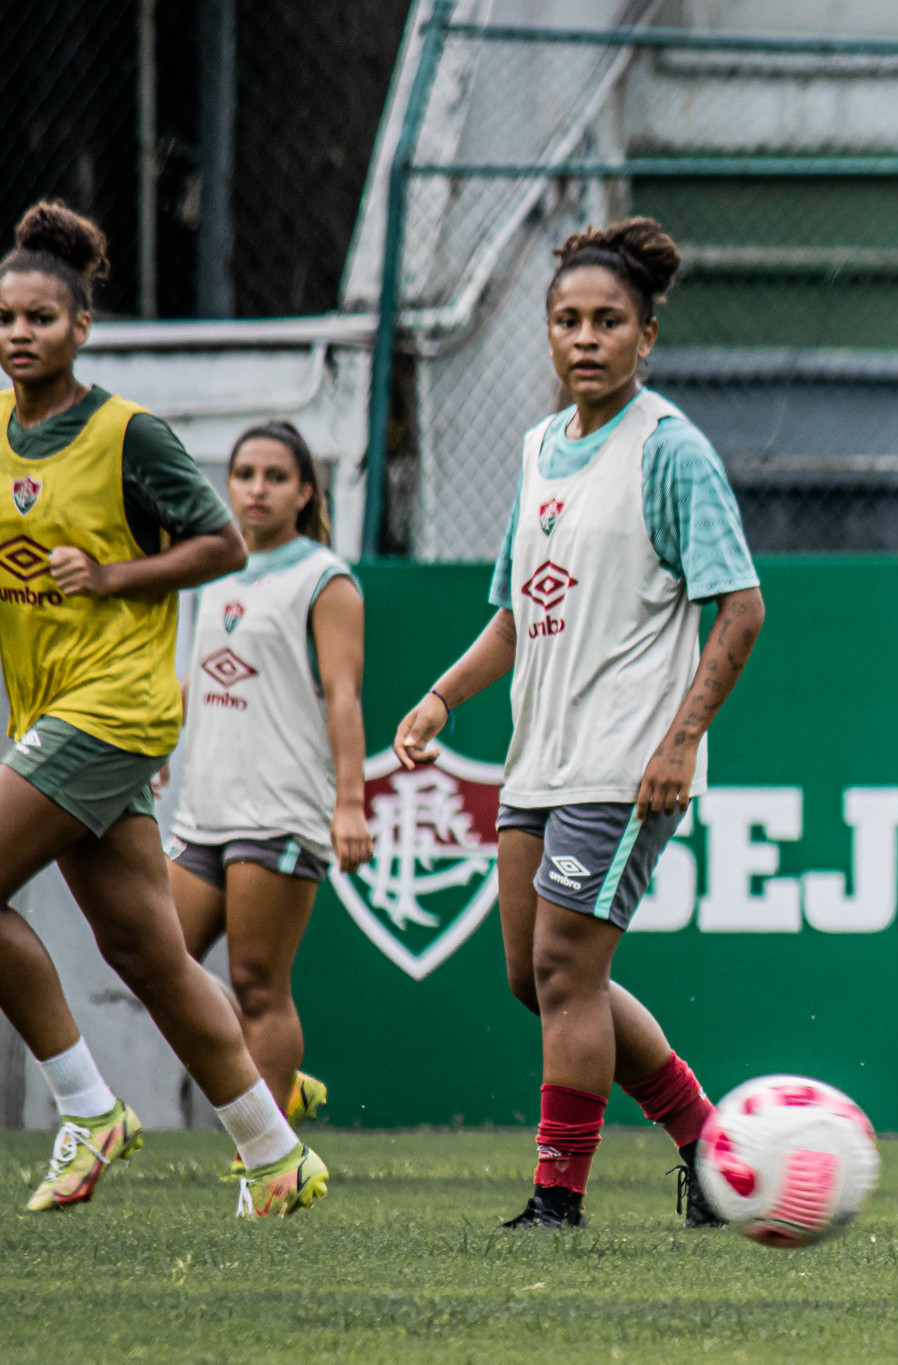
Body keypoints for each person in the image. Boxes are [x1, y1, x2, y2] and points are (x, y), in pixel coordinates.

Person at [391, 217, 765, 1230]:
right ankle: (706, 1142)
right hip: (536, 765)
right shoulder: (537, 449)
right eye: (567, 321)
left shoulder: (671, 450)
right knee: (537, 976)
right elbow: (518, 612)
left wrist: (678, 742)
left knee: (565, 969)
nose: (585, 338)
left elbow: (740, 605)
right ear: (548, 336)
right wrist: (441, 696)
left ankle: (558, 1199)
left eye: (609, 321)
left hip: (623, 765)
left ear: (647, 337)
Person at [0, 201, 327, 1216]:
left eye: (40, 319)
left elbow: (222, 545)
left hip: (115, 708)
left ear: (81, 327)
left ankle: (87, 1107)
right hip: (48, 709)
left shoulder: (126, 432)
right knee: (147, 948)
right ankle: (274, 1156)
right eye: (5, 317)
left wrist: (112, 574)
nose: (19, 334)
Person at [165, 421, 370, 1145]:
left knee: (258, 983)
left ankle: (271, 1152)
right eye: (245, 473)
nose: (256, 488)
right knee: (156, 961)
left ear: (305, 490)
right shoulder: (213, 564)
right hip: (204, 808)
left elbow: (342, 696)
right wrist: (160, 732)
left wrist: (351, 805)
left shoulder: (324, 577)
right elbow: (200, 667)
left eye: (276, 476)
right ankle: (280, 1083)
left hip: (279, 808)